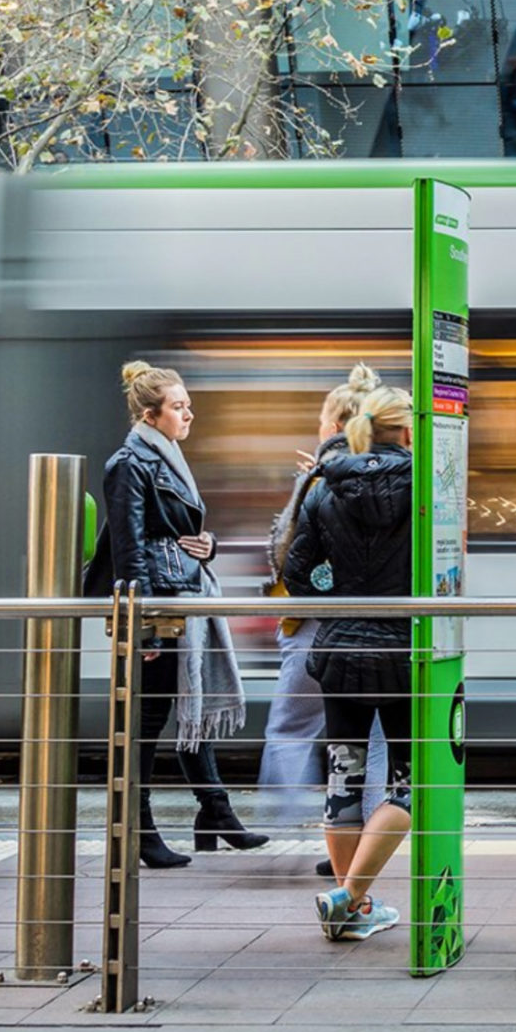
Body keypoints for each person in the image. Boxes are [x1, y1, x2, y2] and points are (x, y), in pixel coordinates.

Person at [103, 361, 260, 869]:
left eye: (188, 403)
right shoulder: (130, 464)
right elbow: (129, 550)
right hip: (161, 606)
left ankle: (215, 813)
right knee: (147, 723)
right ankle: (139, 829)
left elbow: (179, 531)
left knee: (188, 711)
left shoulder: (165, 457)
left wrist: (208, 548)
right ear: (150, 415)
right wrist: (142, 620)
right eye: (179, 406)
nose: (190, 413)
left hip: (184, 594)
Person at [282, 384, 419, 942]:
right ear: (409, 431)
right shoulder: (424, 488)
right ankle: (347, 898)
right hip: (406, 654)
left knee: (344, 778)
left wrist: (337, 595)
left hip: (338, 653)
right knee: (414, 785)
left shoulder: (322, 486)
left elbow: (296, 574)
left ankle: (351, 913)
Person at [262, 365, 384, 848]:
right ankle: (368, 842)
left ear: (334, 425)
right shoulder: (390, 470)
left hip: (314, 626)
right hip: (375, 626)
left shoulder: (318, 478)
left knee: (291, 728)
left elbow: (287, 553)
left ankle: (286, 829)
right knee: (371, 738)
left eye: (320, 420)